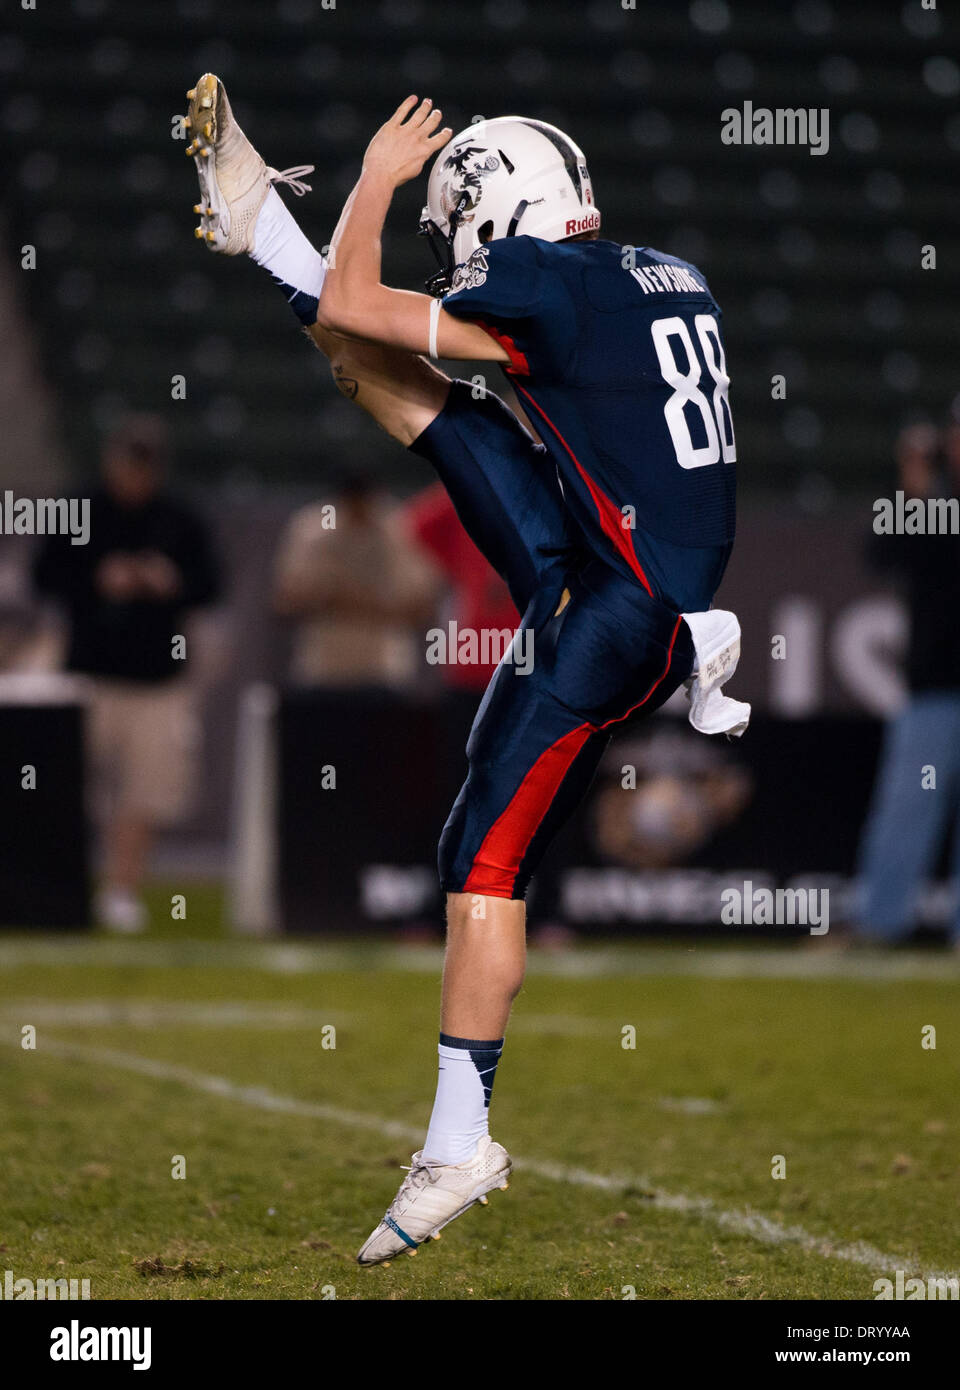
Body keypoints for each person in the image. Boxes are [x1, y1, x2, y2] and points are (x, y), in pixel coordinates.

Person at [180, 75, 747, 1262]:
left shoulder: (542, 281)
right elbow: (418, 351)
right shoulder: (663, 275)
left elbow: (356, 300)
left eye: (459, 219)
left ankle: (460, 1141)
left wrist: (378, 181)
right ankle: (253, 223)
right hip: (620, 571)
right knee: (429, 405)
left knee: (477, 857)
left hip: (614, 604)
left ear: (501, 200)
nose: (459, 244)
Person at [33, 414, 220, 932]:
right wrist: (97, 579)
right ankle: (62, 887)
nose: (135, 477)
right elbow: (43, 575)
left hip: (158, 679)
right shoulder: (80, 508)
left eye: (145, 466)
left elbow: (210, 584)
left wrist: (170, 583)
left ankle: (122, 888)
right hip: (86, 675)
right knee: (68, 788)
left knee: (147, 791)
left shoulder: (180, 518)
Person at [857, 416, 960, 947]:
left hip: (936, 688)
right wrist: (912, 492)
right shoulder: (933, 505)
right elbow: (880, 555)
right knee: (905, 811)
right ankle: (879, 924)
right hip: (934, 689)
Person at [273, 468, 436, 689]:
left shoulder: (402, 527)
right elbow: (286, 598)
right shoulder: (312, 527)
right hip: (324, 663)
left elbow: (420, 606)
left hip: (384, 665)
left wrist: (347, 599)